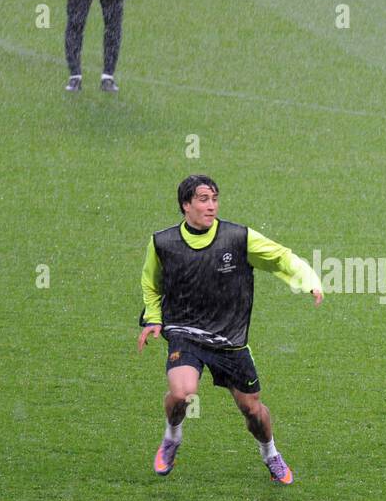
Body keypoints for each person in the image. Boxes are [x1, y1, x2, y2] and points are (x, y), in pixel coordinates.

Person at [137, 175, 322, 484]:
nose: (211, 206)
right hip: (185, 332)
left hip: (229, 340)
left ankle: (270, 452)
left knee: (252, 410)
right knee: (182, 393)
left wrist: (309, 281)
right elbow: (151, 284)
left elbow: (281, 257)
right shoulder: (163, 243)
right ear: (185, 205)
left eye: (214, 199)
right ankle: (172, 436)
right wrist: (154, 318)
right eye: (203, 200)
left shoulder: (238, 238)